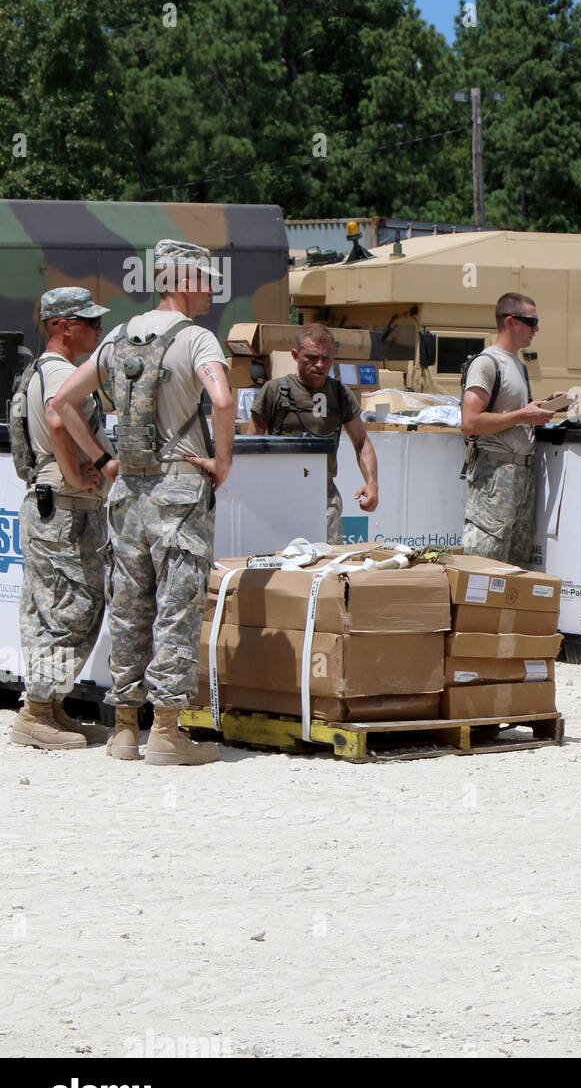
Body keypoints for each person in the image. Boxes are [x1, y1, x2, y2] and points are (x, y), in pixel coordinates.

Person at [51, 239, 235, 766]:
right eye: (203, 280)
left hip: (128, 492)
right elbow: (222, 401)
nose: (210, 291)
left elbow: (64, 403)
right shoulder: (198, 339)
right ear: (179, 281)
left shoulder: (116, 335)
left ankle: (125, 731)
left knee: (128, 609)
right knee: (176, 609)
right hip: (179, 491)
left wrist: (103, 460)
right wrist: (222, 461)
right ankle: (168, 732)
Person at [8, 288, 111, 751]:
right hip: (65, 509)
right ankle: (36, 710)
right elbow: (56, 417)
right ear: (61, 326)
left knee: (48, 611)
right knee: (75, 611)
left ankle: (49, 709)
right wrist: (79, 469)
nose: (98, 329)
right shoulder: (60, 373)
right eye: (89, 322)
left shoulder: (40, 370)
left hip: (50, 504)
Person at [248, 324, 378, 544]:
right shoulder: (275, 390)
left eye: (326, 359)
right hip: (280, 492)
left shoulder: (340, 394)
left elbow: (361, 441)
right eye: (312, 357)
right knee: (280, 564)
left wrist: (372, 483)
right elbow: (252, 443)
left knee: (328, 566)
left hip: (323, 494)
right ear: (295, 355)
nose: (320, 365)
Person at [460, 292, 560, 566]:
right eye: (531, 321)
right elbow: (470, 422)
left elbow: (510, 413)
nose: (536, 329)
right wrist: (521, 415)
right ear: (510, 322)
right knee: (485, 563)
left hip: (520, 475)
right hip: (495, 476)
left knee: (515, 567)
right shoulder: (486, 363)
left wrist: (534, 409)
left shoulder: (517, 363)